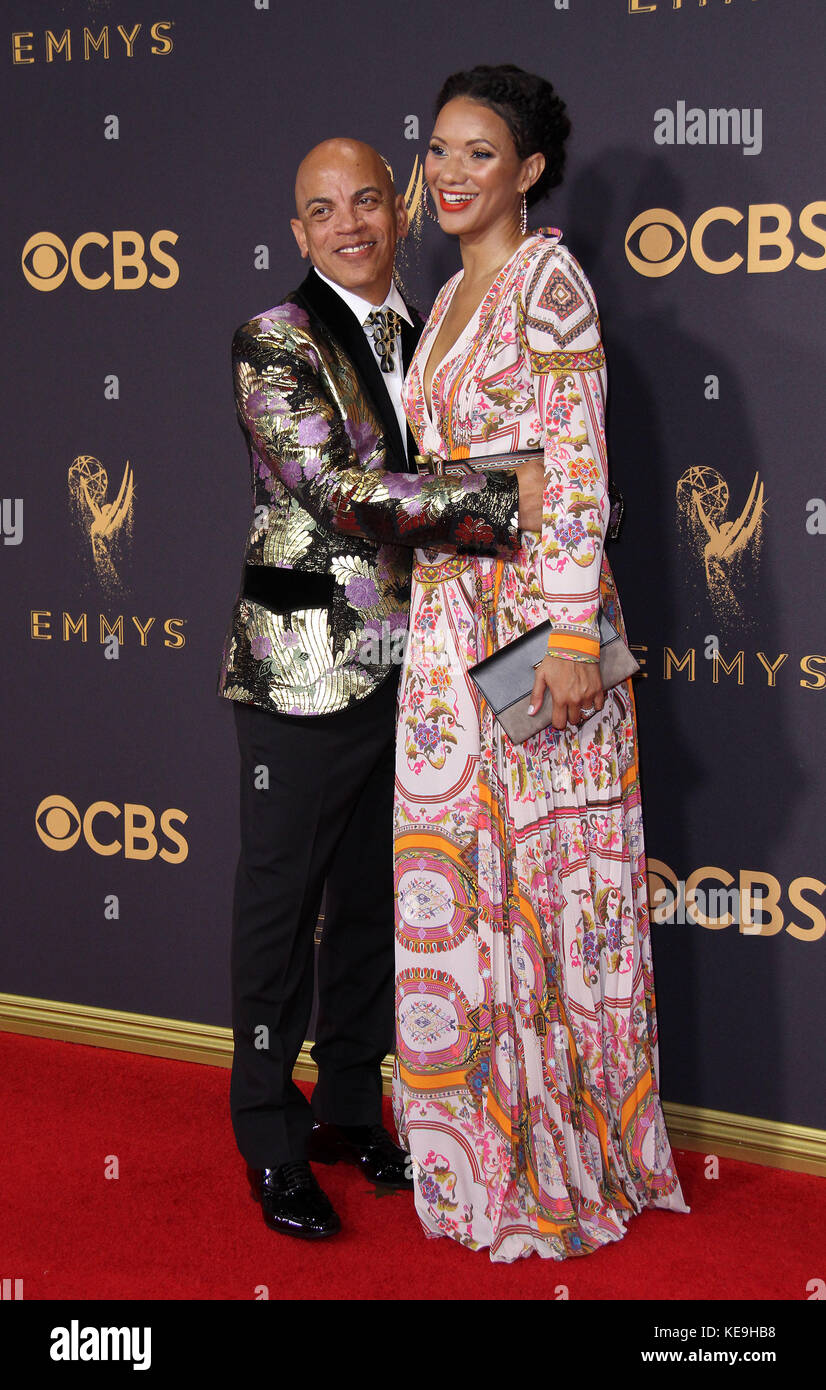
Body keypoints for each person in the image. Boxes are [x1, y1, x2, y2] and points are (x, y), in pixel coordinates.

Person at [217, 136, 546, 1240]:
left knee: (371, 903)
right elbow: (337, 488)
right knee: (279, 913)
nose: (350, 223)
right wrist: (509, 502)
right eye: (324, 209)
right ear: (298, 229)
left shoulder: (440, 326)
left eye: (367, 199)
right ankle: (268, 1135)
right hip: (305, 675)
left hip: (431, 671)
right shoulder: (274, 339)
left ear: (396, 212)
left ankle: (351, 1102)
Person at [393, 66, 689, 1261]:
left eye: (479, 154)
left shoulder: (547, 279)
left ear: (526, 171)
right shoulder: (449, 292)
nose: (451, 174)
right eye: (438, 151)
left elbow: (570, 466)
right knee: (463, 882)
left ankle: (559, 1157)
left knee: (545, 892)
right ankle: (480, 1149)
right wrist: (463, 498)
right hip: (445, 625)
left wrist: (572, 632)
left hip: (533, 635)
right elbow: (475, 472)